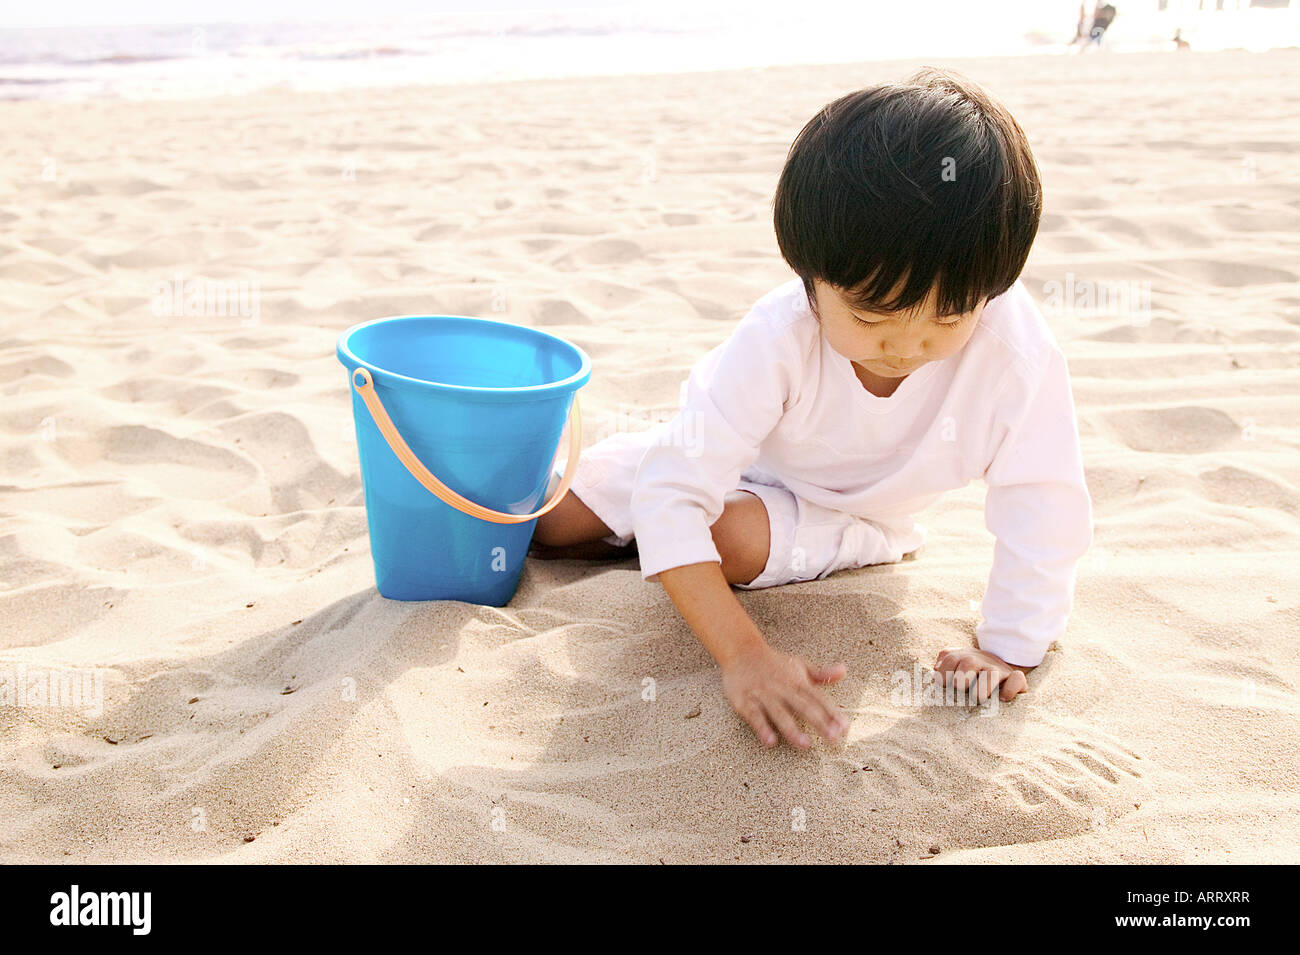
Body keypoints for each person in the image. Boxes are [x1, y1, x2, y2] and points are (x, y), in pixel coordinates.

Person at [530, 69, 1093, 751]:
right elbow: (672, 487)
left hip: (856, 515)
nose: (907, 345)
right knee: (549, 518)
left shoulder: (1015, 353)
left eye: (948, 318)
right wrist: (745, 653)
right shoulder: (779, 334)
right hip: (751, 460)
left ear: (992, 287)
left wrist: (1010, 648)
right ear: (810, 277)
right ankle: (654, 553)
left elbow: (1045, 506)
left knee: (721, 541)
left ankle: (675, 560)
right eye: (871, 315)